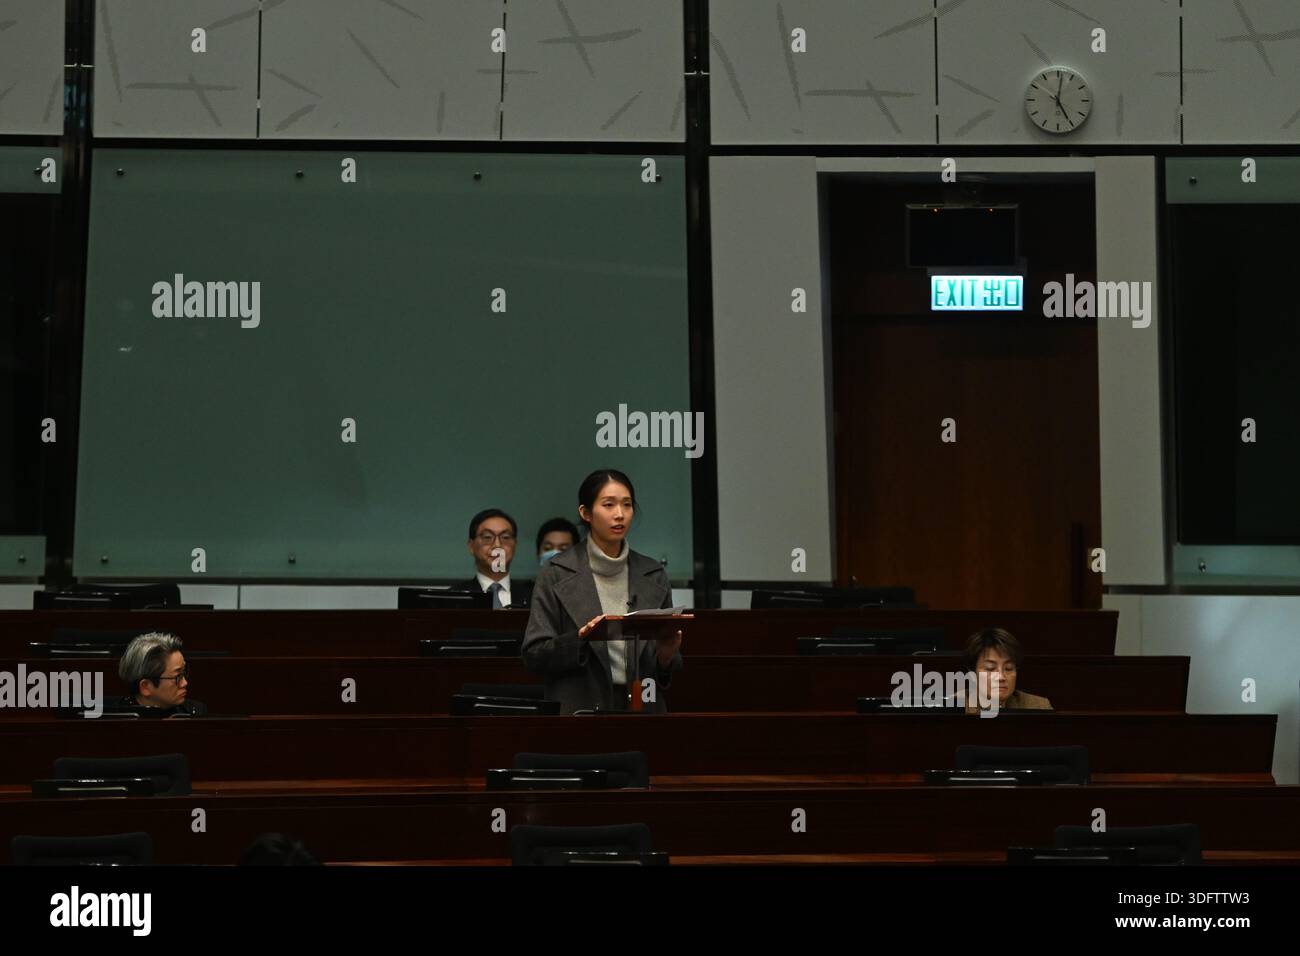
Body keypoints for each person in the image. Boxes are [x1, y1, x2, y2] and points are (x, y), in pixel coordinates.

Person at [522, 469, 683, 713]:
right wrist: (580, 639)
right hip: (580, 711)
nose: (619, 515)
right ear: (585, 513)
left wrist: (666, 657)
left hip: (642, 709)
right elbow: (534, 654)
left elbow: (660, 666)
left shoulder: (652, 574)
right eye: (608, 505)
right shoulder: (556, 572)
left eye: (627, 505)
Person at [115, 632, 207, 717]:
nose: (185, 683)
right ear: (146, 687)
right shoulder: (116, 722)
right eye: (177, 677)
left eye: (184, 673)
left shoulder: (195, 713)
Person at [963, 627, 1051, 713]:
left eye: (1008, 668)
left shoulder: (1039, 706)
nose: (1001, 677)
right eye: (990, 668)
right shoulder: (955, 706)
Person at [461, 508, 533, 609]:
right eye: (487, 537)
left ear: (515, 545)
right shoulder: (455, 597)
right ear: (471, 546)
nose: (497, 545)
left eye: (505, 537)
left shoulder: (535, 597)